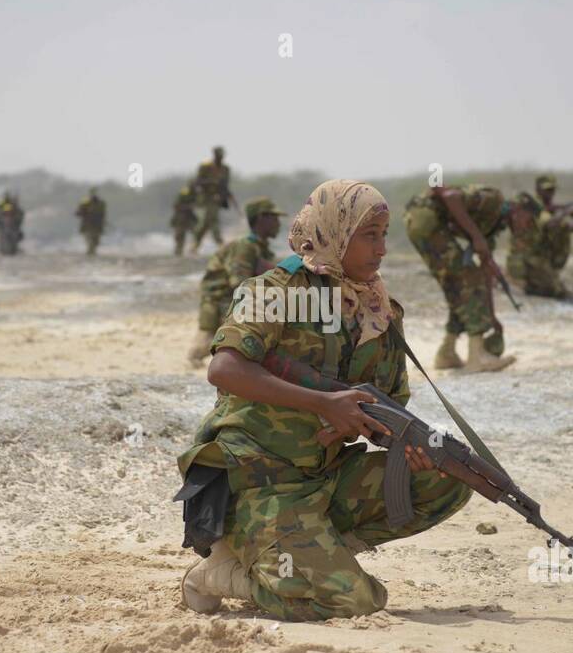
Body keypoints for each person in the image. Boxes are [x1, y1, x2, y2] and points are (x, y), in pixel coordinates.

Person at [177, 180, 475, 620]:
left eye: (385, 234)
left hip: (327, 477)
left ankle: (316, 552)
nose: (382, 249)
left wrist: (405, 445)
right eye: (369, 235)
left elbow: (390, 407)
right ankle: (223, 573)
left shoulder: (379, 312)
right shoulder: (275, 292)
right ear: (336, 231)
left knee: (451, 475)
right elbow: (225, 369)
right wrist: (323, 403)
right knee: (355, 602)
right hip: (260, 484)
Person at [404, 183, 516, 371]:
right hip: (426, 218)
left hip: (419, 221)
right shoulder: (493, 199)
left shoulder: (492, 228)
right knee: (467, 281)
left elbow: (484, 275)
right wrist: (476, 237)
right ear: (517, 210)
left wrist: (492, 316)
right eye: (528, 221)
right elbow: (450, 196)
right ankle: (477, 357)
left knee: (456, 287)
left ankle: (447, 353)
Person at [186, 197, 286, 367]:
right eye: (274, 218)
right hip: (221, 300)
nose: (278, 223)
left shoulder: (261, 248)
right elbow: (239, 282)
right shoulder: (245, 247)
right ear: (261, 219)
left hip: (232, 299)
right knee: (206, 340)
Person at [190, 146, 234, 252]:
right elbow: (198, 181)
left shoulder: (225, 169)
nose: (220, 157)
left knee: (207, 221)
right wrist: (211, 182)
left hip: (218, 199)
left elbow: (225, 185)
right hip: (207, 198)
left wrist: (226, 196)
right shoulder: (205, 167)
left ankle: (196, 243)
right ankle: (219, 242)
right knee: (212, 220)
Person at [76, 187, 107, 255]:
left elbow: (103, 214)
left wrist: (103, 222)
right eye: (92, 193)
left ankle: (92, 251)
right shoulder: (85, 203)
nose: (94, 194)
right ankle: (90, 251)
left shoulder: (101, 203)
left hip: (97, 225)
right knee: (89, 238)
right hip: (88, 225)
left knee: (96, 240)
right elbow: (78, 213)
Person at [171, 186, 199, 256]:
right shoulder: (185, 192)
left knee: (196, 233)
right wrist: (188, 207)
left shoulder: (196, 194)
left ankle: (193, 249)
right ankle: (178, 251)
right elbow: (176, 206)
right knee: (180, 235)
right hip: (181, 217)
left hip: (189, 217)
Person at [0, 190, 25, 255]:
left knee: (14, 236)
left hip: (11, 224)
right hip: (6, 224)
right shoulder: (3, 204)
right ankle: (6, 250)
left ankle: (11, 250)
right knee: (4, 237)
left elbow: (19, 214)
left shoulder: (10, 204)